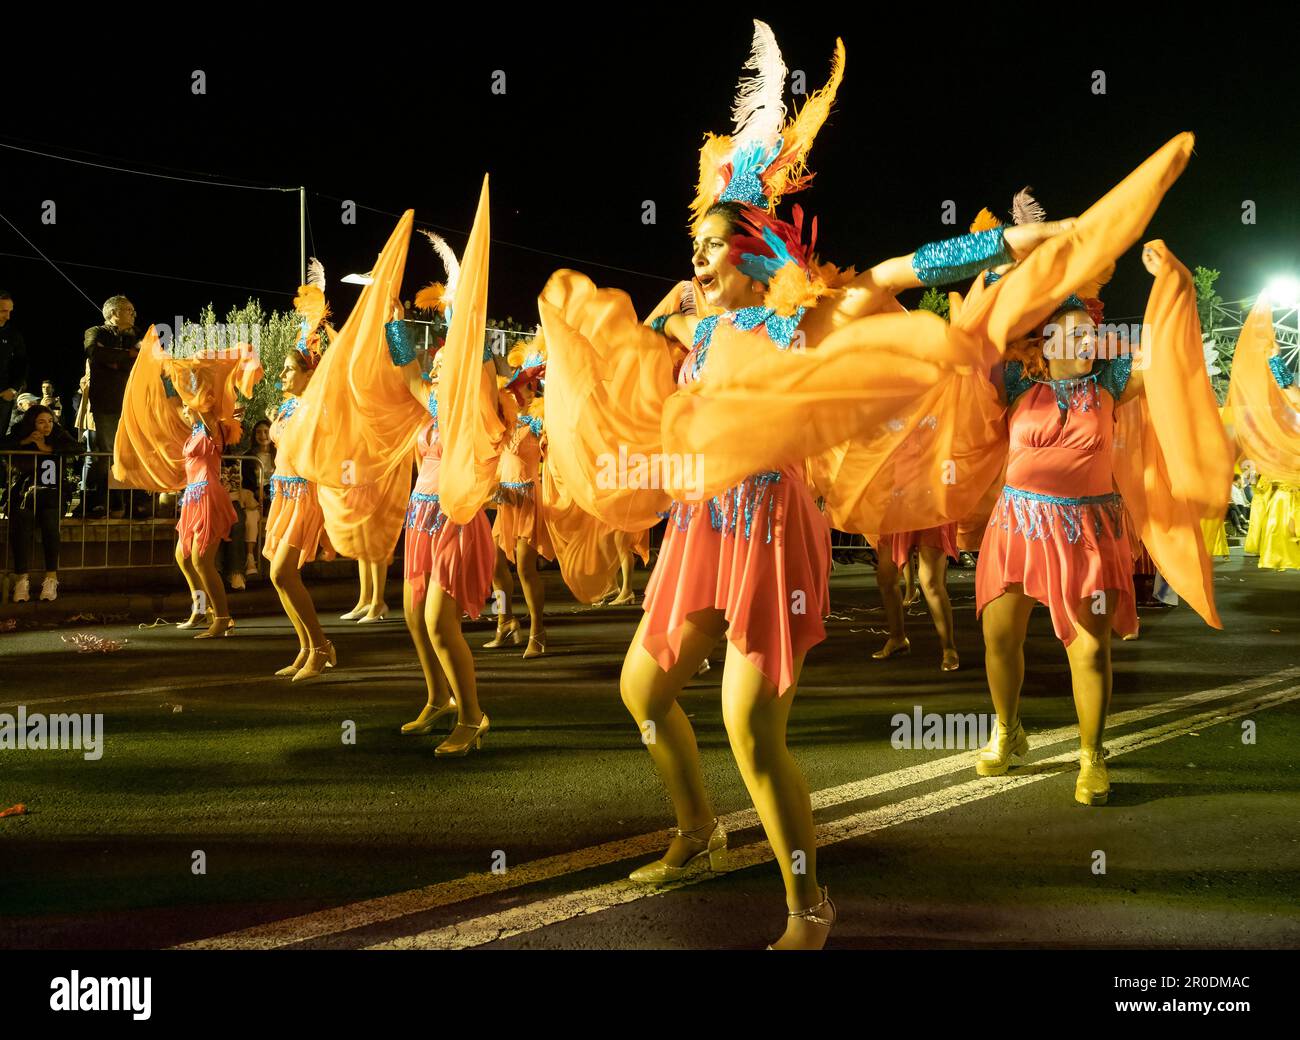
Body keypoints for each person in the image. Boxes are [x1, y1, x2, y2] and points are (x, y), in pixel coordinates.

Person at [538, 22, 1076, 948]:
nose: (696, 260)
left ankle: (808, 907)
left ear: (752, 256)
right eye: (695, 245)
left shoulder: (801, 321)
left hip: (771, 531)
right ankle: (698, 829)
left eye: (711, 248)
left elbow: (897, 272)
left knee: (750, 725)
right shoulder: (697, 333)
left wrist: (1019, 246)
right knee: (643, 696)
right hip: (702, 527)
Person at [484, 336, 552, 657]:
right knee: (495, 567)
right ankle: (504, 619)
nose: (519, 390)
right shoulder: (506, 417)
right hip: (505, 497)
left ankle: (537, 630)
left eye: (526, 384)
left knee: (525, 568)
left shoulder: (541, 418)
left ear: (535, 386)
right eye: (517, 385)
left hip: (526, 498)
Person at [3, 404, 78, 602]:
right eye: (41, 422)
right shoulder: (20, 433)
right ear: (32, 423)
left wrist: (48, 449)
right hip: (24, 495)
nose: (47, 426)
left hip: (52, 495)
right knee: (21, 521)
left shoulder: (58, 434)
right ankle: (21, 580)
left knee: (50, 521)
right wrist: (26, 441)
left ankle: (51, 578)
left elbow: (76, 448)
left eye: (50, 421)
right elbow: (5, 445)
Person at [84, 296, 140, 518]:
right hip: (106, 402)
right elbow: (95, 353)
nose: (133, 313)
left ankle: (129, 503)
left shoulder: (138, 335)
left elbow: (146, 357)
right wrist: (128, 355)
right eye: (128, 309)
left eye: (133, 309)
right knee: (107, 452)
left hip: (133, 403)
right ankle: (101, 503)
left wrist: (116, 361)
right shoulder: (94, 332)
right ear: (112, 313)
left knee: (131, 453)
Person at [0, 291, 28, 438]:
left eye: (10, 311)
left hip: (3, 395)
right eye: (3, 311)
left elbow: (21, 365)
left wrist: (13, 389)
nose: (8, 316)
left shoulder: (13, 335)